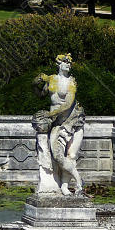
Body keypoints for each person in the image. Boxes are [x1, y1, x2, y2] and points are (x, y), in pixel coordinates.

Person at [33, 53, 85, 195]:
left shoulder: (71, 82)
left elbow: (68, 104)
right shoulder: (52, 80)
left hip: (72, 121)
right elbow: (40, 95)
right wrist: (35, 84)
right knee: (57, 156)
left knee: (71, 155)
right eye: (66, 62)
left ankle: (65, 186)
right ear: (59, 64)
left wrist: (49, 115)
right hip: (56, 123)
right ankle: (79, 181)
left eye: (69, 63)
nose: (68, 64)